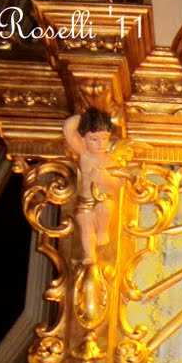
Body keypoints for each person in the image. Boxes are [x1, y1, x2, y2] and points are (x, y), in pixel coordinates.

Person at [63, 109, 121, 262]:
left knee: (105, 207)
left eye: (104, 138)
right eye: (94, 139)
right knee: (86, 225)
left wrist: (106, 179)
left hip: (104, 199)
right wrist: (82, 117)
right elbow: (69, 130)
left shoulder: (111, 160)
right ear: (83, 140)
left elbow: (118, 184)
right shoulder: (84, 154)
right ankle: (90, 255)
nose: (101, 143)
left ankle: (103, 231)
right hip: (85, 201)